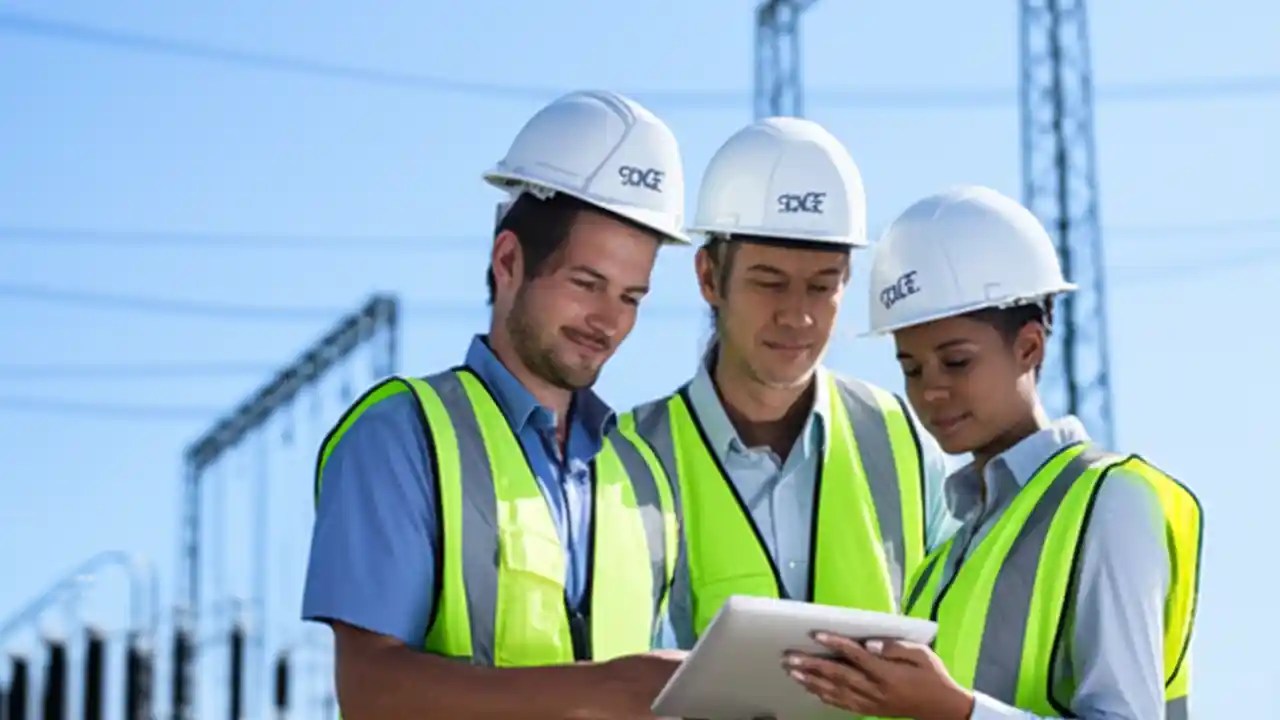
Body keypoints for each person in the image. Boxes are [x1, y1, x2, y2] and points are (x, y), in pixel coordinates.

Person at [300, 90, 693, 720]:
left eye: (632, 297)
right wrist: (607, 690)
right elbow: (370, 690)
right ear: (508, 261)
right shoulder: (403, 435)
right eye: (586, 284)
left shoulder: (642, 478)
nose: (608, 321)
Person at [785, 185, 1202, 719]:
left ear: (1029, 346)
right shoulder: (943, 564)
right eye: (911, 369)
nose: (930, 392)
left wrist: (958, 711)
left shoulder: (1110, 501)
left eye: (956, 362)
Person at [623, 117, 958, 650]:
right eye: (769, 283)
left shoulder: (901, 440)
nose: (797, 316)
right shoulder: (623, 455)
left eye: (822, 286)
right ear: (709, 277)